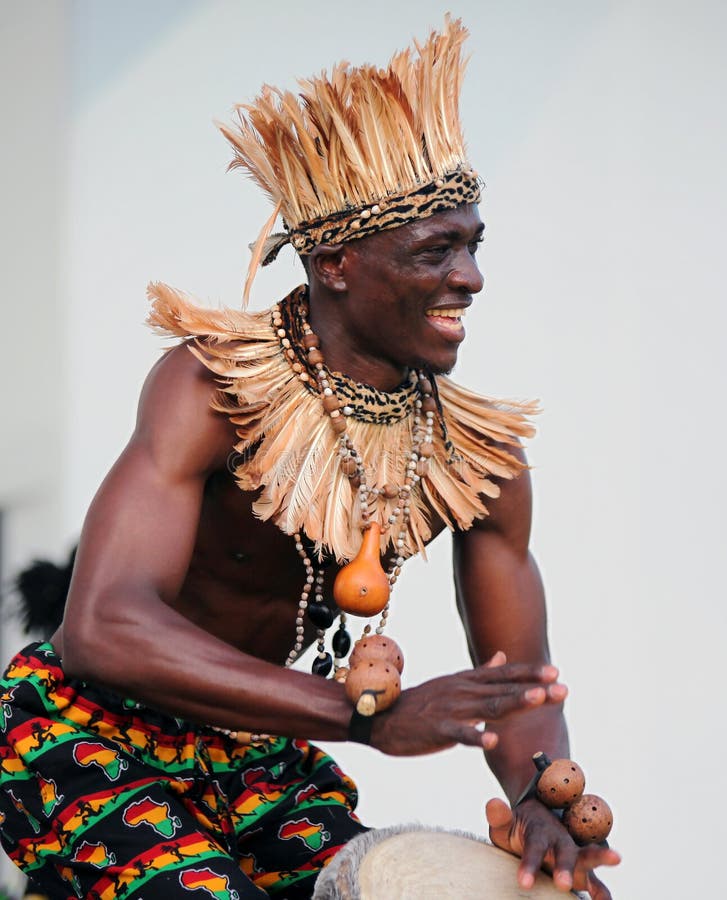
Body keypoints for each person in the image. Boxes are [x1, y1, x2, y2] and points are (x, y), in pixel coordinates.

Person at [0, 17, 619, 900]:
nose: (471, 277)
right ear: (335, 261)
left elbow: (516, 683)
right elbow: (102, 628)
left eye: (473, 244)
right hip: (82, 731)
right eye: (435, 249)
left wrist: (539, 795)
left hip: (255, 755)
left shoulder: (478, 456)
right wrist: (359, 718)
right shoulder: (211, 387)